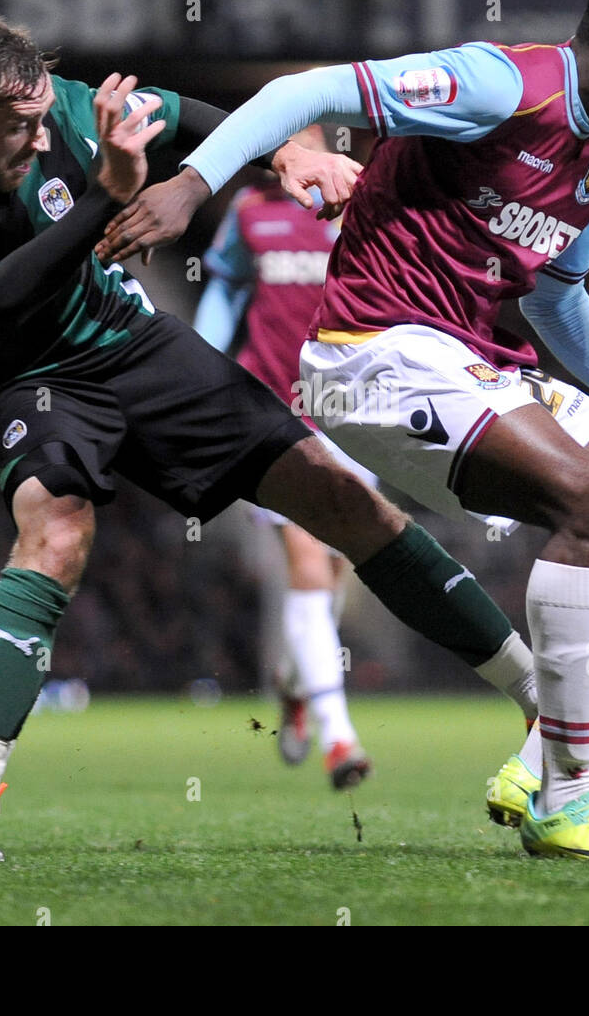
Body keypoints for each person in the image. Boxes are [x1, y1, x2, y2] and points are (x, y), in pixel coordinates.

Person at [95, 0, 589, 861]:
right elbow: (310, 90)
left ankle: (539, 761)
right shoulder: (502, 83)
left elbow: (558, 299)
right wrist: (192, 184)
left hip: (474, 357)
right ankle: (569, 798)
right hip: (374, 353)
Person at [0, 9, 546, 862]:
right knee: (57, 531)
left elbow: (179, 110)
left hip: (128, 338)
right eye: (21, 129)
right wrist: (110, 195)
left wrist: (289, 154)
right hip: (21, 379)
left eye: (46, 119)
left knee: (341, 498)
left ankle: (545, 701)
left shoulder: (58, 106)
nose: (42, 142)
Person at [193, 125, 375, 789]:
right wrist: (202, 373)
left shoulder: (358, 204)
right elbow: (225, 292)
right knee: (306, 563)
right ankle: (340, 738)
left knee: (332, 575)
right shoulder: (249, 213)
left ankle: (294, 686)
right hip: (271, 412)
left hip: (352, 413)